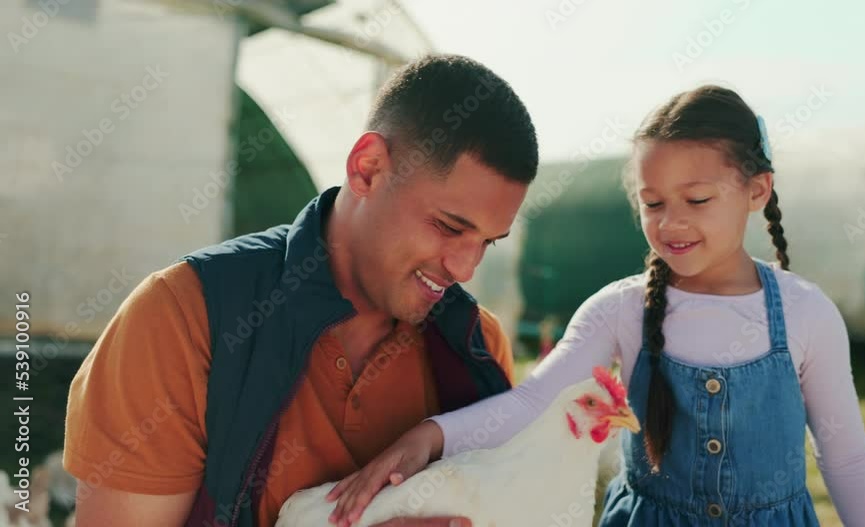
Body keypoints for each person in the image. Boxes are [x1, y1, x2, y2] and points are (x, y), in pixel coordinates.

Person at [327, 86, 865, 526]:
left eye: (696, 200)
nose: (671, 222)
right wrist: (425, 436)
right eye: (652, 203)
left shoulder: (806, 314)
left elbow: (844, 456)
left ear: (757, 190)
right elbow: (531, 401)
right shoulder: (619, 309)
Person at [63, 54, 538, 527]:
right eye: (449, 226)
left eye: (487, 243)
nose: (466, 268)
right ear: (367, 168)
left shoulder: (476, 343)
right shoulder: (181, 317)